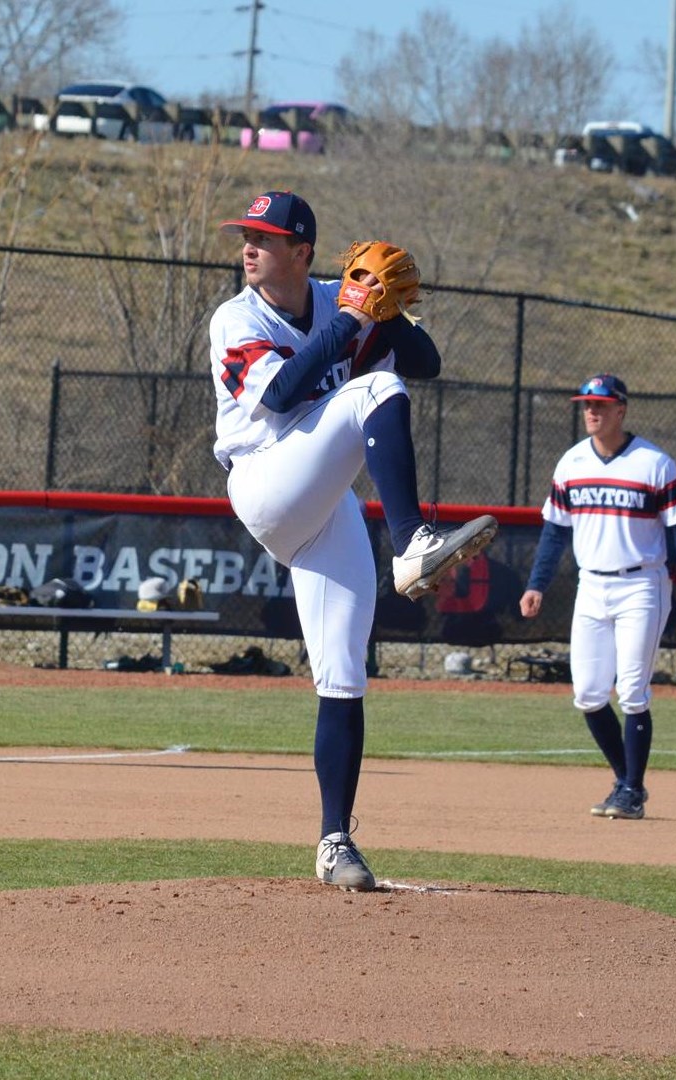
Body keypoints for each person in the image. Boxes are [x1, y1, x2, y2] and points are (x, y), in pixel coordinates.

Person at [208, 190, 497, 890]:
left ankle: (335, 842)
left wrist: (389, 312)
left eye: (266, 238)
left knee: (342, 675)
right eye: (247, 235)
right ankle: (412, 544)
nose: (250, 246)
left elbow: (424, 361)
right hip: (265, 482)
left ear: (302, 251)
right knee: (374, 392)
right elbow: (280, 398)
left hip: (325, 503)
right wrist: (350, 321)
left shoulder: (344, 295)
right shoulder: (236, 317)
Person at [518, 373, 676, 820]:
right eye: (587, 405)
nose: (592, 412)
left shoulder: (655, 464)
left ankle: (630, 789)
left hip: (642, 585)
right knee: (588, 695)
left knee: (631, 690)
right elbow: (554, 534)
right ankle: (626, 782)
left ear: (621, 410)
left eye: (601, 405)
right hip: (591, 585)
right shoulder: (571, 463)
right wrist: (536, 584)